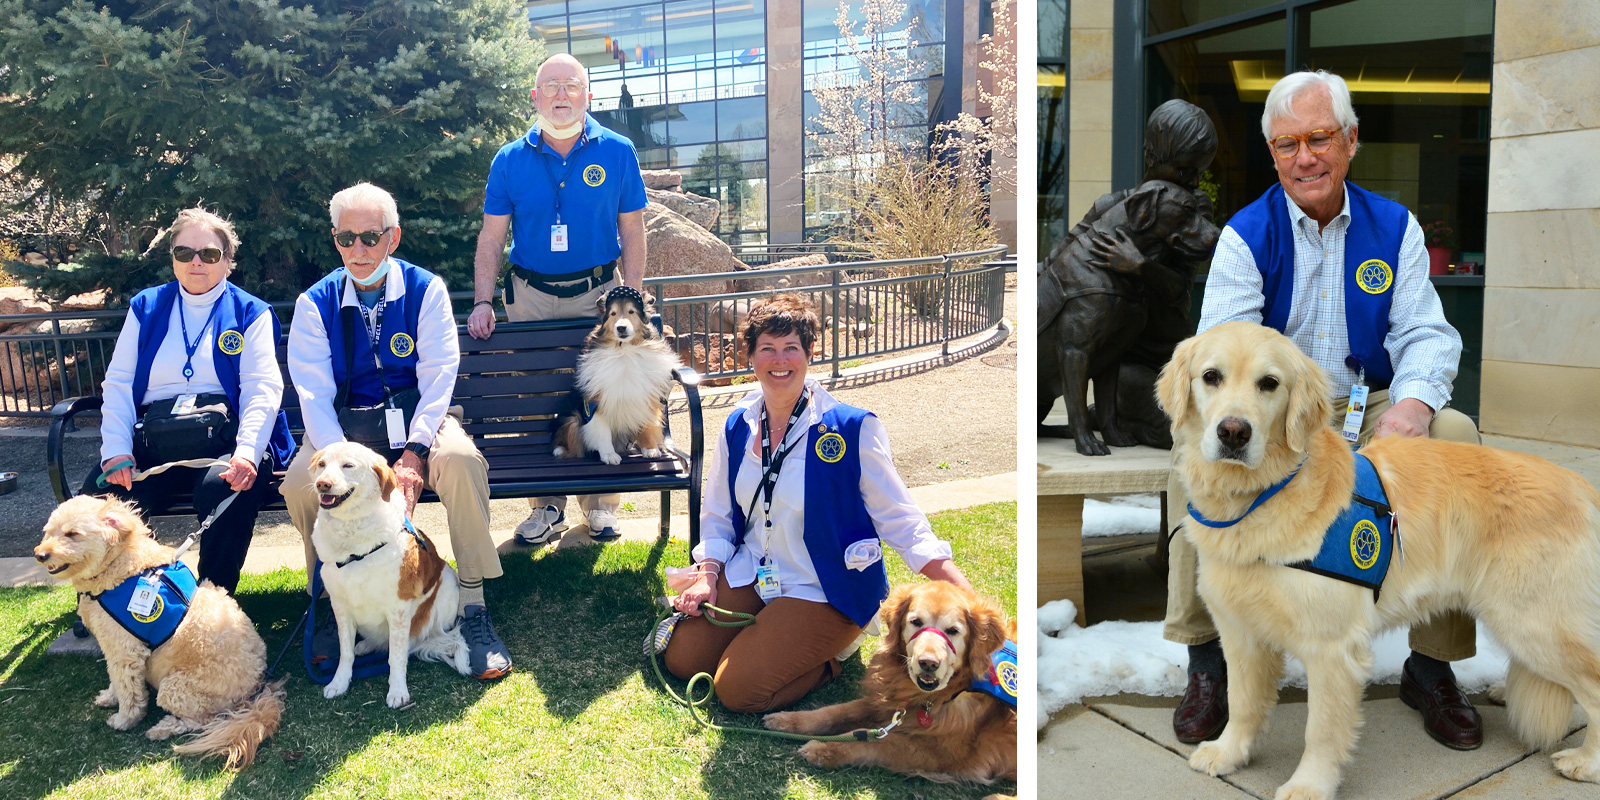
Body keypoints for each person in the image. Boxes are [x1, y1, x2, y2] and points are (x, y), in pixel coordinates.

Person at [1165, 70, 1485, 749]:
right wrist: (1263, 417)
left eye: (1318, 138)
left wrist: (1415, 404)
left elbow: (1425, 332)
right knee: (1195, 462)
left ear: (1350, 140)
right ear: (1273, 152)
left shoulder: (1392, 227)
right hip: (1277, 409)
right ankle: (1208, 660)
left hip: (1369, 404)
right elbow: (1226, 350)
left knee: (1457, 434)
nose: (1303, 157)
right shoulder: (1244, 236)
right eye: (1286, 144)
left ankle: (1432, 665)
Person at [661, 295, 974, 713]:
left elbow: (904, 523)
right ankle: (766, 638)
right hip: (756, 571)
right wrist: (708, 574)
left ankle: (832, 659)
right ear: (750, 357)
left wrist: (971, 601)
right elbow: (717, 514)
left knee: (737, 690)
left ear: (810, 354)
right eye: (767, 348)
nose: (780, 360)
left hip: (824, 587)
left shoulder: (851, 428)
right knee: (681, 659)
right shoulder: (738, 424)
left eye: (791, 348)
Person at [281, 182, 511, 680]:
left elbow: (438, 379)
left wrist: (415, 452)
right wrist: (342, 458)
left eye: (370, 237)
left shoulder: (426, 290)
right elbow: (313, 393)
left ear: (393, 237)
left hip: (416, 423)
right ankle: (326, 599)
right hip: (340, 433)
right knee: (300, 482)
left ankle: (472, 607)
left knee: (462, 464)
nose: (358, 250)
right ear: (335, 240)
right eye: (346, 239)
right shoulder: (313, 303)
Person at [467, 53, 649, 547]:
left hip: (600, 297)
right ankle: (546, 506)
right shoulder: (509, 159)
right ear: (535, 97)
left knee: (607, 397)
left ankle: (601, 507)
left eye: (572, 86)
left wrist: (631, 296)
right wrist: (484, 301)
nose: (562, 95)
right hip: (531, 297)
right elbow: (490, 238)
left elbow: (632, 231)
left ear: (588, 95)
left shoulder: (618, 151)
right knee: (537, 400)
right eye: (551, 86)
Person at [90, 208, 291, 595]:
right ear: (173, 259)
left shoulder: (251, 312)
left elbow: (261, 388)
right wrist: (115, 450)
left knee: (225, 487)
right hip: (152, 440)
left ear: (227, 261)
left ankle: (211, 598)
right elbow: (118, 382)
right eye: (185, 253)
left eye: (209, 254)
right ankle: (111, 597)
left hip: (225, 441)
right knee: (103, 498)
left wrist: (247, 454)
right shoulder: (146, 307)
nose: (196, 262)